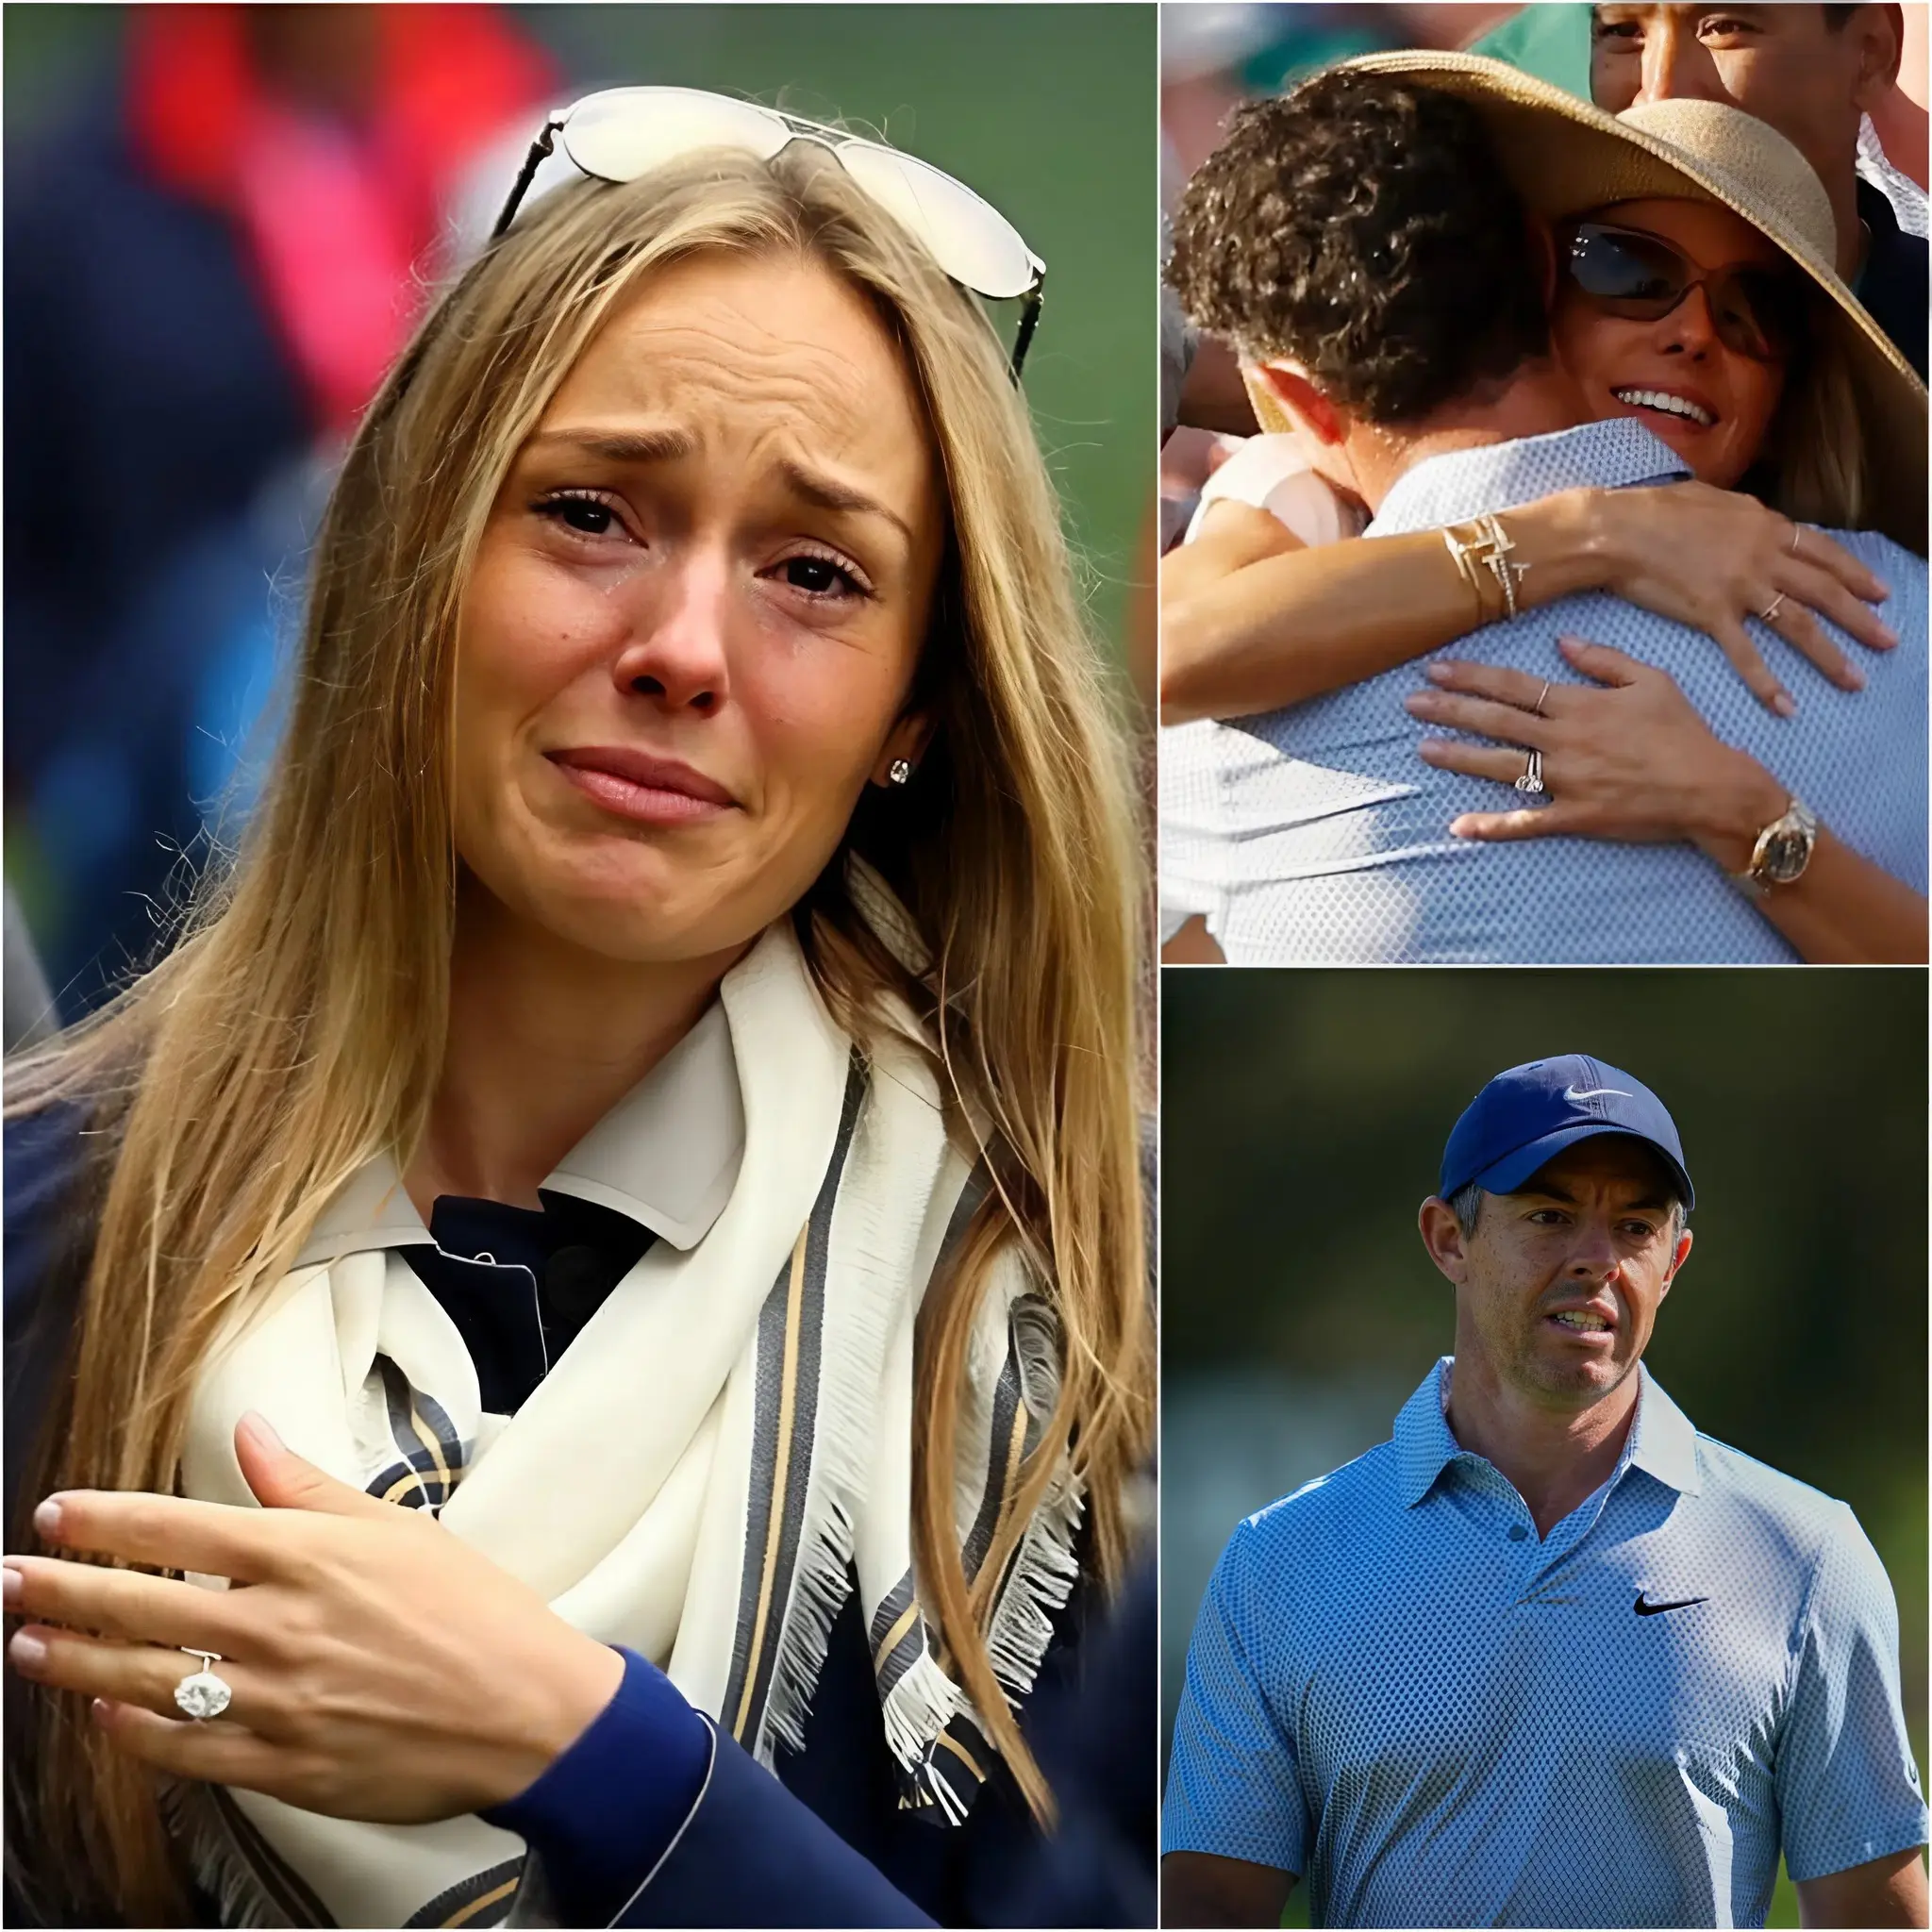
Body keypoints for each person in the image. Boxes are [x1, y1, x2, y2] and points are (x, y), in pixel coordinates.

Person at [0, 92, 1153, 1930]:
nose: (684, 645)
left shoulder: (1073, 1337)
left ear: (920, 711)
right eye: (592, 514)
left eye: (814, 574)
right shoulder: (41, 1235)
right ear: (415, 561)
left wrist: (592, 1753)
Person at [1159, 56, 1926, 966]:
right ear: (1541, 276)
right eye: (1628, 269)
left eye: (1758, 310)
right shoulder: (1902, 614)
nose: (1689, 330)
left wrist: (1745, 816)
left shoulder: (1891, 613)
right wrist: (1590, 532)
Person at [1162, 1054, 1930, 1929]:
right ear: (1449, 1238)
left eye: (1635, 1228)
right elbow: (1211, 1904)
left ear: (1673, 1262)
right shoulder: (1282, 1560)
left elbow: (1876, 1912)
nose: (1596, 1261)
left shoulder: (1805, 1553)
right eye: (1550, 1216)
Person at [1591, 3, 1927, 374]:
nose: (1659, 93)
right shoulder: (1545, 327)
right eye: (1622, 32)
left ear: (1871, 52)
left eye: (1724, 27)